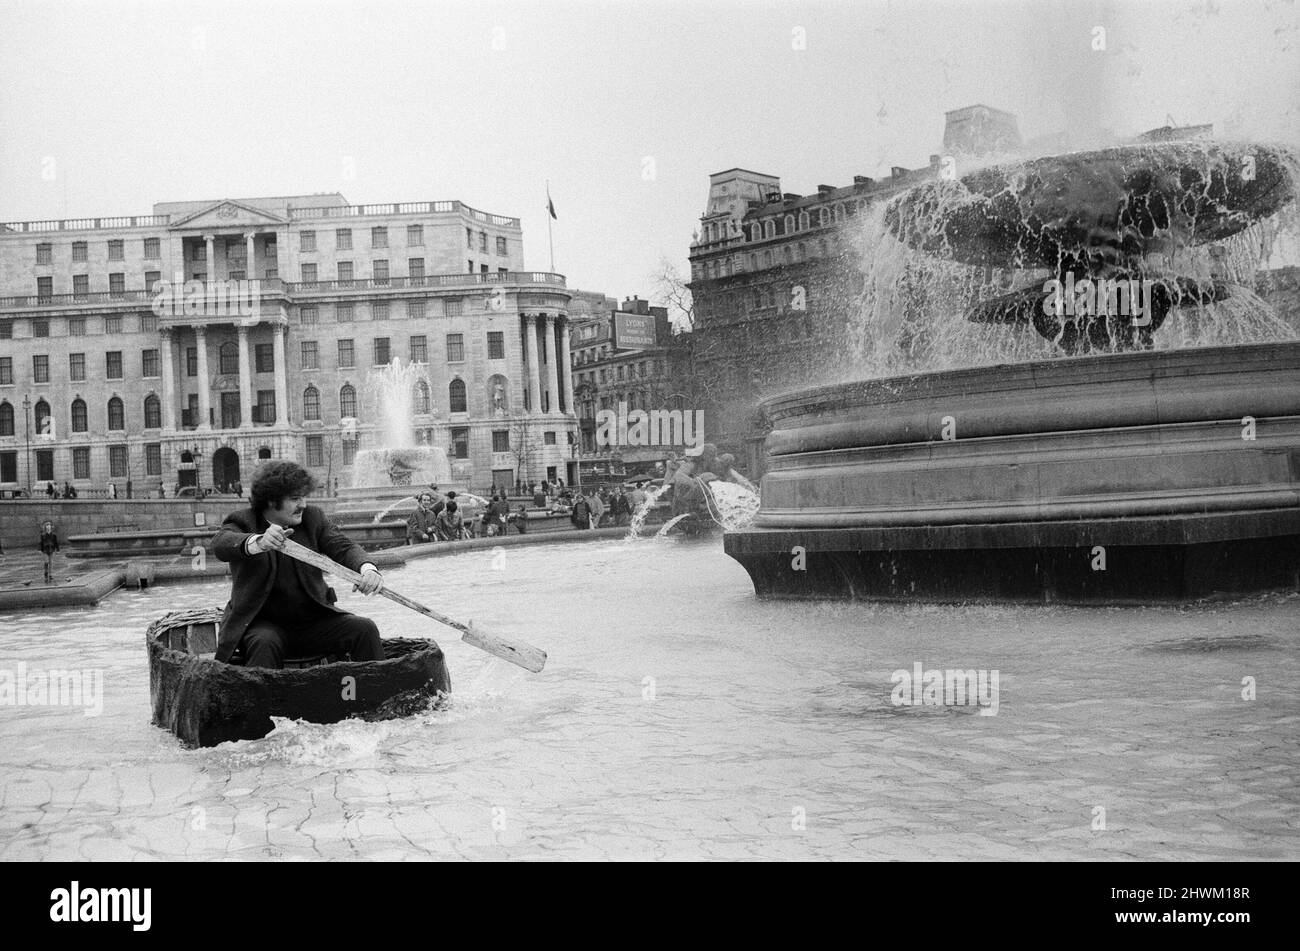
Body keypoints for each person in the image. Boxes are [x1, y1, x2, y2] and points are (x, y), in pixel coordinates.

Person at [211, 461, 385, 669]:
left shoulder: (313, 517)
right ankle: (262, 701)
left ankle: (378, 695)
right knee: (264, 643)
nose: (303, 504)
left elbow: (343, 547)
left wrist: (368, 569)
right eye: (295, 499)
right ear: (271, 500)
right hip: (262, 625)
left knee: (364, 628)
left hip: (313, 624)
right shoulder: (243, 520)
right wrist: (258, 542)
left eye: (304, 497)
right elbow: (221, 544)